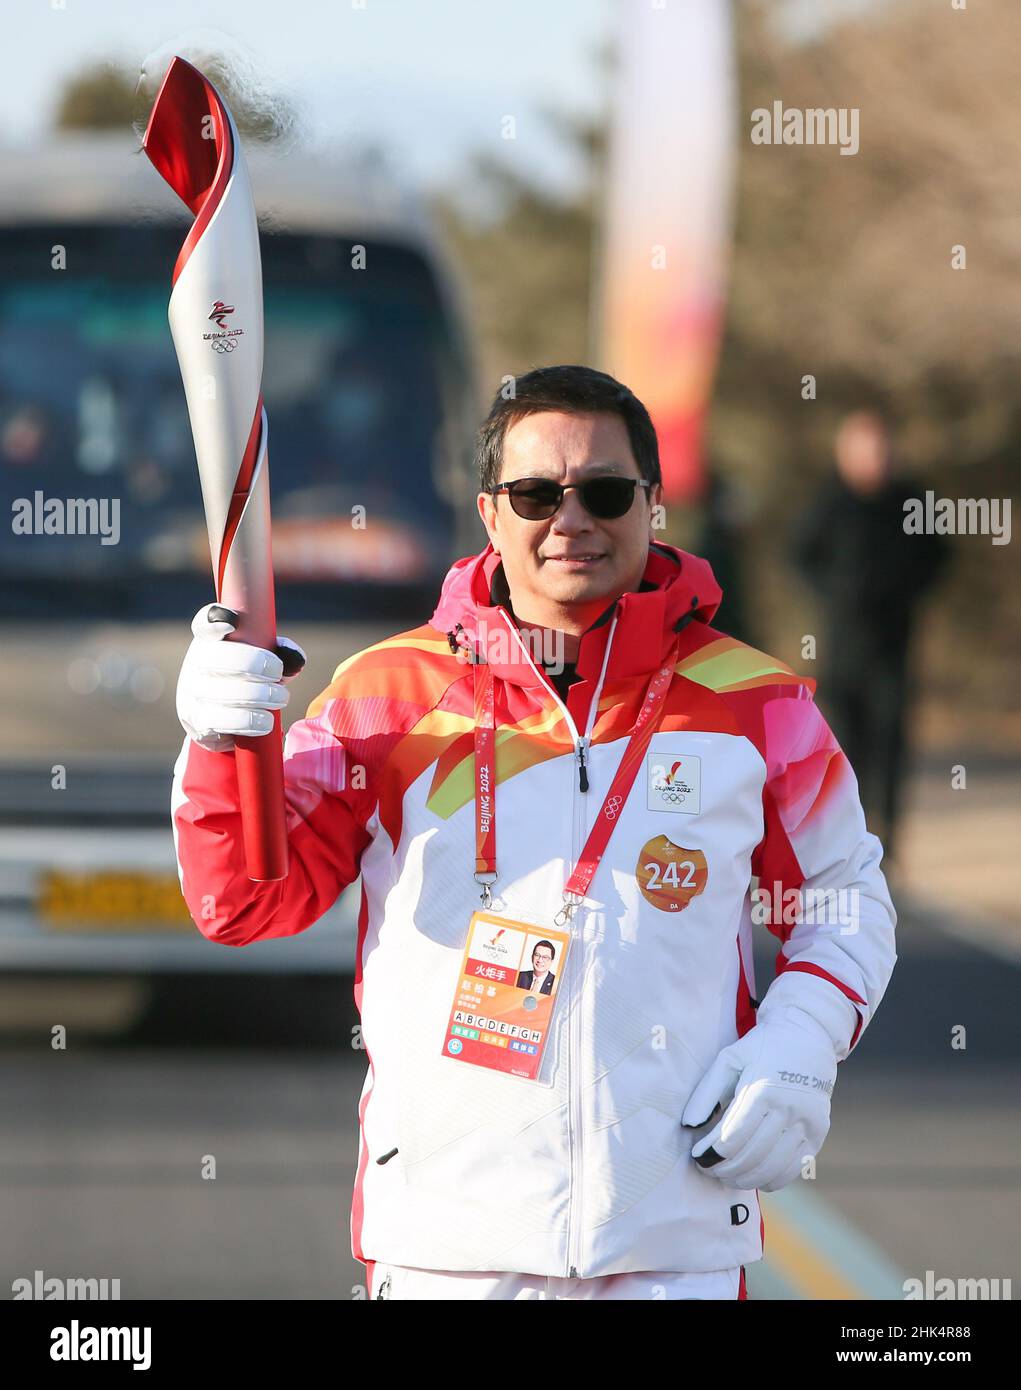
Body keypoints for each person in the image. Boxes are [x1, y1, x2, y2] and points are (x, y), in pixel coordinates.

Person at [173, 365, 897, 1302]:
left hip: (672, 1242)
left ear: (651, 505)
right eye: (534, 494)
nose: (571, 520)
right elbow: (244, 902)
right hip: (447, 1244)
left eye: (604, 491)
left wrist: (800, 1039)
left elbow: (845, 900)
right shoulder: (385, 697)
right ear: (488, 511)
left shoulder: (755, 704)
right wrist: (218, 751)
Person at [792, 409, 948, 865]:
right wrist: (832, 596)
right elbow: (800, 556)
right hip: (842, 648)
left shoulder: (910, 501)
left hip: (893, 646)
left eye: (879, 451)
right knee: (843, 746)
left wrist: (906, 593)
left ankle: (890, 841)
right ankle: (843, 838)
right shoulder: (829, 502)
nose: (871, 460)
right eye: (862, 451)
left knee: (890, 741)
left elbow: (938, 557)